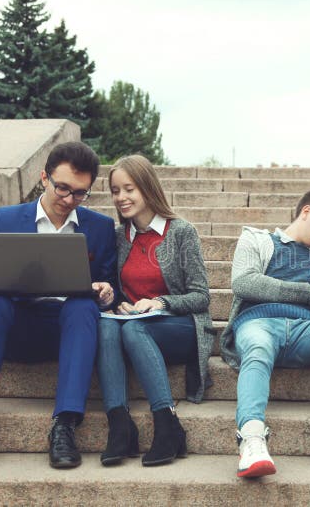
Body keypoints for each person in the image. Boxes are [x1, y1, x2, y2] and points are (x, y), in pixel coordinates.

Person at [0, 142, 117, 471]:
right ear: (44, 178)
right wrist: (6, 283)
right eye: (62, 188)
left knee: (83, 305)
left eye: (80, 193)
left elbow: (113, 287)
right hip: (15, 329)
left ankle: (64, 426)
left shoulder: (100, 227)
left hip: (71, 333)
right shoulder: (5, 219)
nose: (69, 199)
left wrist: (107, 292)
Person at [219, 188, 310, 478]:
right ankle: (251, 438)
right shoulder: (256, 239)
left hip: (305, 332)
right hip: (258, 324)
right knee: (258, 346)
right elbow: (245, 283)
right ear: (306, 212)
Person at [96, 155, 213, 467]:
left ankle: (167, 424)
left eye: (129, 189)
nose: (121, 197)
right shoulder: (119, 237)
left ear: (147, 188)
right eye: (115, 191)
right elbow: (116, 287)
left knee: (135, 329)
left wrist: (161, 302)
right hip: (133, 324)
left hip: (180, 326)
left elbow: (201, 297)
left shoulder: (181, 232)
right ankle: (120, 426)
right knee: (106, 325)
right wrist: (116, 301)